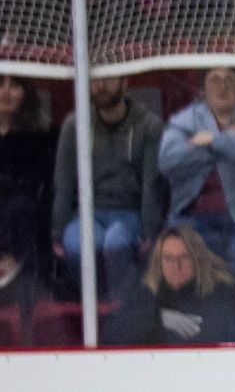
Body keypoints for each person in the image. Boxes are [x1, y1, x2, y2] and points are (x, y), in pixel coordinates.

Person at [51, 76, 165, 292]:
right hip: (87, 212)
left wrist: (150, 231)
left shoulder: (150, 125)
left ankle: (122, 306)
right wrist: (58, 231)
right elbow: (63, 182)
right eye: (94, 80)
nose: (101, 85)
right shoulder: (75, 124)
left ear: (125, 82)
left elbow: (152, 186)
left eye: (108, 79)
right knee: (78, 244)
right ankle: (92, 304)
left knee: (116, 243)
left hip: (130, 212)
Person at [159, 67, 235, 282]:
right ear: (202, 90)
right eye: (215, 80)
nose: (223, 86)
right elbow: (168, 160)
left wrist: (213, 140)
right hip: (191, 219)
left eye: (230, 79)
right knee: (183, 268)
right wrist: (230, 139)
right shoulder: (186, 119)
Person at [101, 223, 235, 346]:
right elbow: (113, 332)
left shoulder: (221, 287)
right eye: (168, 258)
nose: (176, 265)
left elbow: (223, 332)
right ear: (159, 262)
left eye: (184, 257)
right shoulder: (145, 287)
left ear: (197, 260)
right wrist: (157, 318)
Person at [0, 74, 55, 312]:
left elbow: (46, 188)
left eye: (14, 85)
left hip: (25, 223)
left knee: (20, 207)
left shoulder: (42, 134)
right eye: (1, 85)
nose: (6, 92)